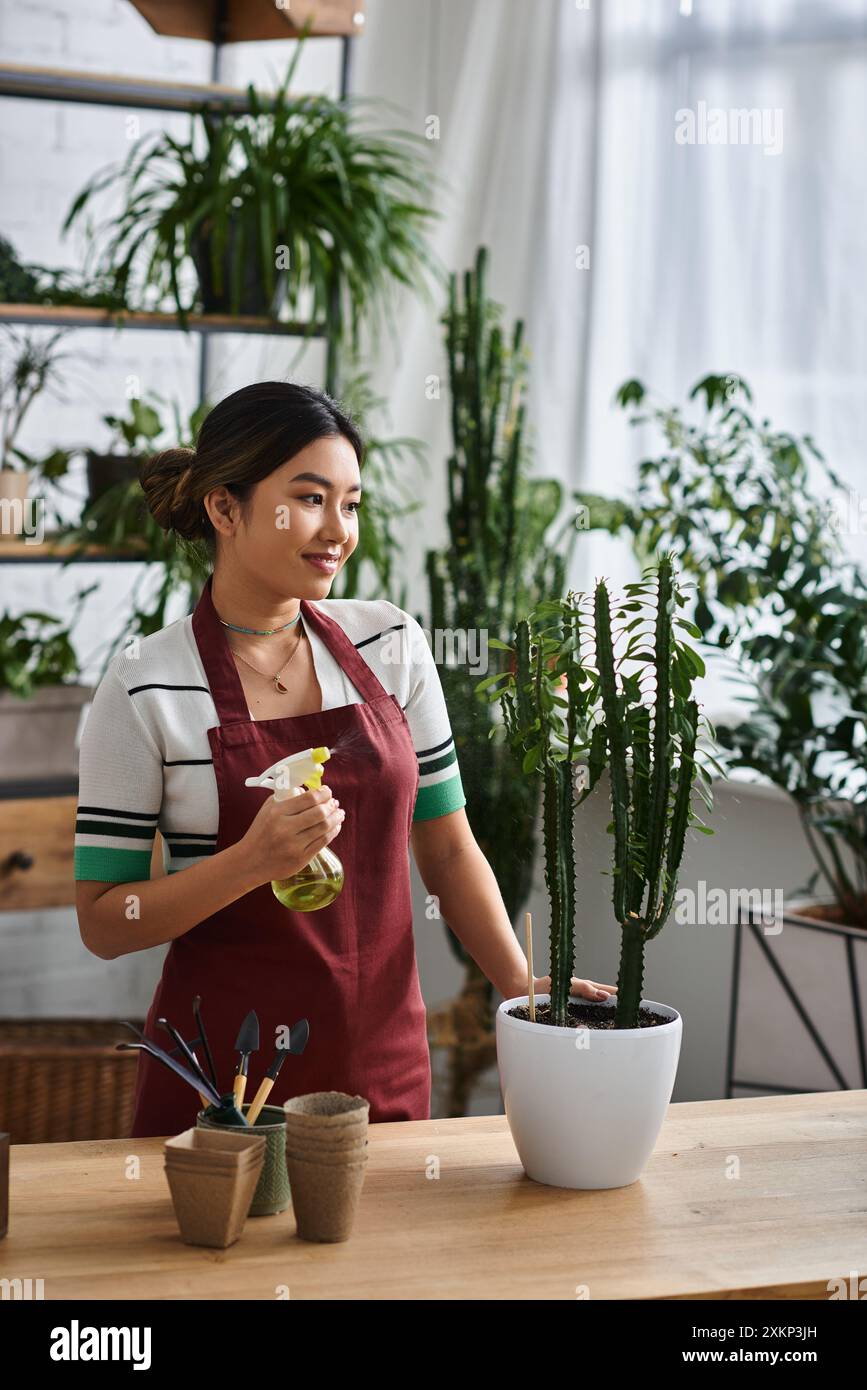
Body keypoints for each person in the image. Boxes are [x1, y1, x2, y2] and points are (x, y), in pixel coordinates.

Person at [74, 381, 614, 1136]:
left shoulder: (389, 645)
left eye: (351, 503)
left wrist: (516, 982)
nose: (338, 530)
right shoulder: (146, 687)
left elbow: (449, 848)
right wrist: (249, 861)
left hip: (380, 1066)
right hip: (219, 1086)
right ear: (224, 510)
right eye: (310, 499)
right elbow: (105, 921)